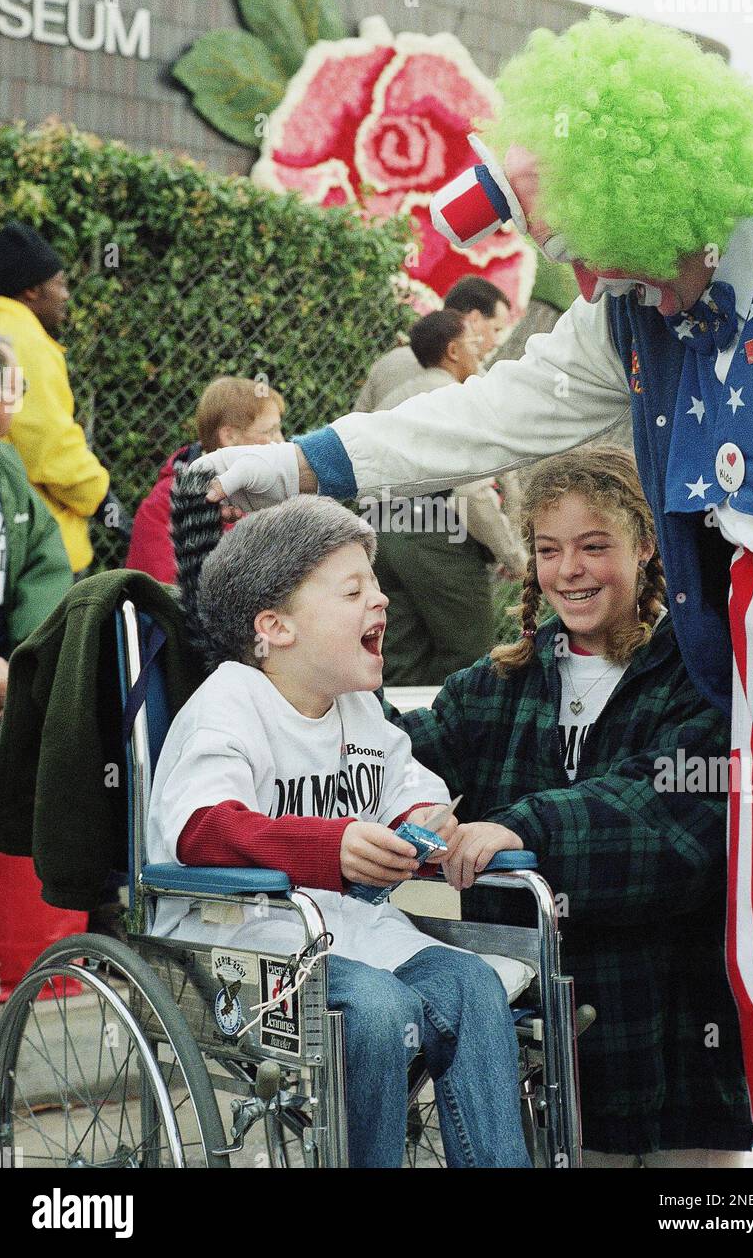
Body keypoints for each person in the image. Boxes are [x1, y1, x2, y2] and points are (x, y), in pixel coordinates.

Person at [193, 13, 753, 1167]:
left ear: (649, 188)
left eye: (582, 238)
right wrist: (303, 463)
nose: (580, 275)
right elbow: (485, 415)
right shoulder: (631, 314)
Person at [146, 473, 531, 1168]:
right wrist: (333, 847)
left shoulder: (357, 709)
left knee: (471, 986)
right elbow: (201, 829)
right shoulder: (229, 706)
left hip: (350, 934)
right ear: (274, 627)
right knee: (379, 1011)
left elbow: (411, 792)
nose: (380, 598)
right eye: (352, 592)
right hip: (244, 947)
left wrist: (426, 826)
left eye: (374, 586)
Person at [385, 447, 753, 1165]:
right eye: (549, 550)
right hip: (546, 1044)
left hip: (678, 1036)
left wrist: (517, 827)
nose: (569, 571)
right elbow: (396, 758)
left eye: (593, 546)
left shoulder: (703, 671)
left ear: (646, 545)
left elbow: (667, 821)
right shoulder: (497, 684)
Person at [0, 328, 72, 1019]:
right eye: (14, 386)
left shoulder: (5, 473)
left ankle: (12, 963)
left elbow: (44, 567)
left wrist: (25, 666)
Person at [371, 309, 526, 684]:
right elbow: (470, 494)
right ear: (454, 352)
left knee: (398, 655)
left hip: (380, 530)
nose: (481, 353)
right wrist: (512, 553)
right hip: (437, 535)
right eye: (475, 344)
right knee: (469, 655)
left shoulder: (396, 395)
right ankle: (459, 737)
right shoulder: (457, 398)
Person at [0, 221, 114, 573]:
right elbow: (49, 445)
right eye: (60, 284)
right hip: (42, 548)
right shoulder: (24, 343)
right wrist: (100, 497)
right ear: (31, 291)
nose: (66, 295)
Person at [126, 376, 285, 584]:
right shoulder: (166, 503)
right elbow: (167, 597)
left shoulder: (268, 487)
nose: (281, 441)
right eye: (270, 431)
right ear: (229, 436)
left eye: (279, 429)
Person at [353, 275, 511, 412]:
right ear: (474, 319)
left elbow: (355, 421)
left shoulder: (392, 360)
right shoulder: (476, 386)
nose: (497, 342)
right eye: (496, 330)